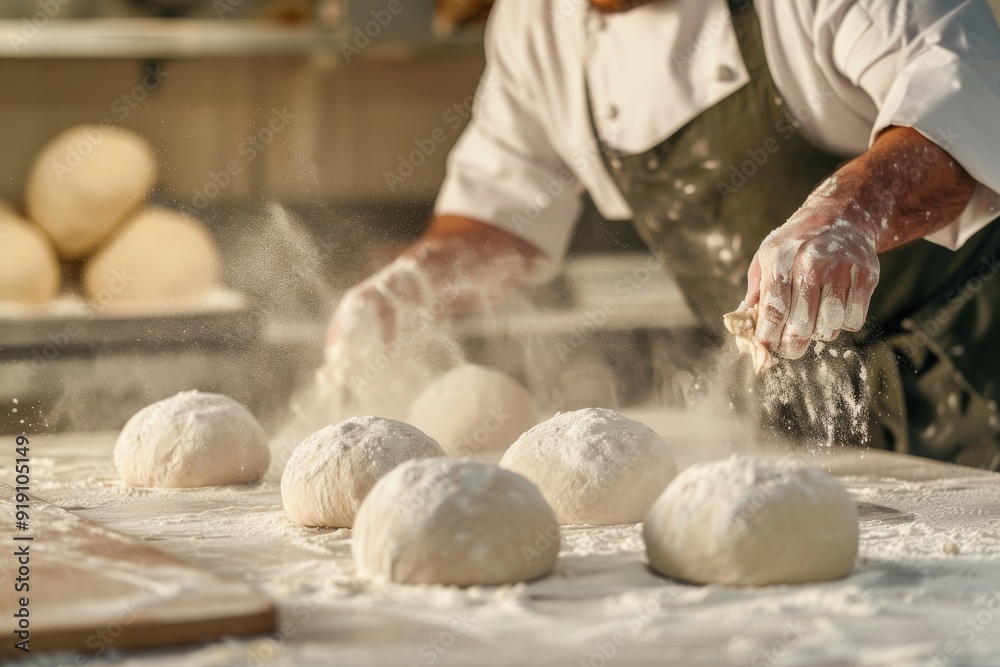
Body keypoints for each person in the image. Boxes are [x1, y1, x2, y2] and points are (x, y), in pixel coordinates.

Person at [326, 0, 1000, 469]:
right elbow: (502, 212)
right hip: (808, 415)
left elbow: (960, 101)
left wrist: (851, 210)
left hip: (977, 357)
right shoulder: (538, 20)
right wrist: (415, 283)